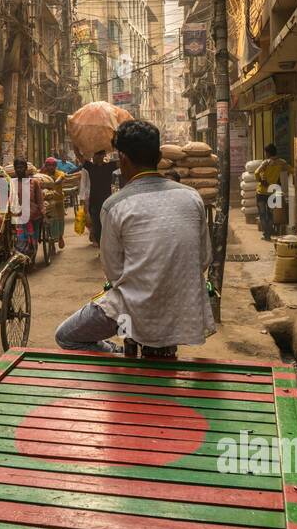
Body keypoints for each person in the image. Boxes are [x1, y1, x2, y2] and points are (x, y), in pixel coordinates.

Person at [55, 120, 215, 354]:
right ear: (159, 155)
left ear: (123, 159)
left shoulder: (115, 205)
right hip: (185, 308)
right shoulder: (192, 198)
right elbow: (203, 259)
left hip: (133, 309)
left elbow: (114, 272)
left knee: (66, 336)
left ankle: (116, 354)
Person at [79, 148, 118, 247]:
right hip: (94, 202)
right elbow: (79, 157)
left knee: (107, 226)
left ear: (103, 156)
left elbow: (122, 162)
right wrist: (75, 145)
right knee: (96, 225)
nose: (96, 157)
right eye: (96, 155)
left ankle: (104, 246)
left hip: (107, 202)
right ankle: (100, 245)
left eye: (99, 155)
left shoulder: (110, 166)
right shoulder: (90, 167)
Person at [253, 143, 290, 241]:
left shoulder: (266, 163)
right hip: (273, 191)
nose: (265, 154)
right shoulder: (282, 162)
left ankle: (266, 234)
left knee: (262, 214)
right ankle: (269, 232)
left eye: (266, 152)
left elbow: (256, 173)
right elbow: (291, 170)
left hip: (261, 192)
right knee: (270, 214)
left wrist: (261, 181)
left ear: (268, 153)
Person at [11, 157, 44, 259]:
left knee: (33, 239)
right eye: (17, 168)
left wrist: (43, 213)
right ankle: (23, 261)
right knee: (20, 241)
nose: (19, 170)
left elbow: (40, 200)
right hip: (18, 217)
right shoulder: (11, 183)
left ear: (25, 168)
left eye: (21, 167)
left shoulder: (34, 182)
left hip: (33, 216)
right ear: (15, 169)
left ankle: (32, 259)